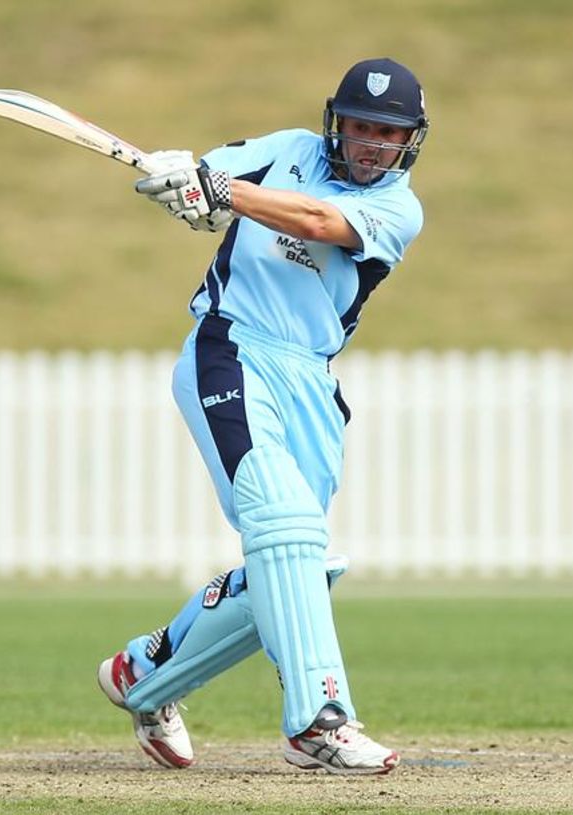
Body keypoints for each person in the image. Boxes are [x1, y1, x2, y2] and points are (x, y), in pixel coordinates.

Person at [96, 57, 429, 775]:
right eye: (361, 127)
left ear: (410, 143)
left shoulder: (400, 209)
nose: (372, 144)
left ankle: (145, 672)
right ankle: (319, 719)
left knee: (302, 560)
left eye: (388, 134)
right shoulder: (285, 150)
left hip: (309, 379)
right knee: (283, 524)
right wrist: (182, 183)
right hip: (234, 347)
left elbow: (315, 219)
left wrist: (226, 192)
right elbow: (209, 188)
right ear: (336, 122)